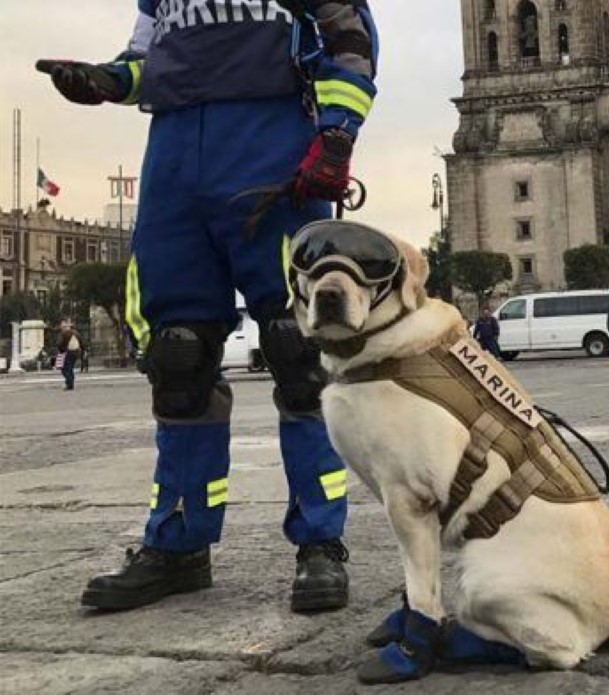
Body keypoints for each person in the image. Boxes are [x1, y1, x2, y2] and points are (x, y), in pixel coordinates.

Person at [43, 1, 378, 614]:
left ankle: (320, 542)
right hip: (174, 159)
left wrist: (336, 133)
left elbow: (350, 41)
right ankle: (178, 544)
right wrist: (105, 81)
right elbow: (145, 61)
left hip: (272, 146)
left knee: (298, 350)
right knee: (179, 357)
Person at [56, 320, 82, 391]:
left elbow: (60, 344)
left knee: (65, 369)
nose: (62, 328)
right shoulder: (76, 333)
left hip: (67, 352)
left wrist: (60, 350)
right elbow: (81, 342)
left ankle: (69, 383)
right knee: (70, 368)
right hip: (75, 352)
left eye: (63, 326)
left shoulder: (65, 333)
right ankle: (70, 383)